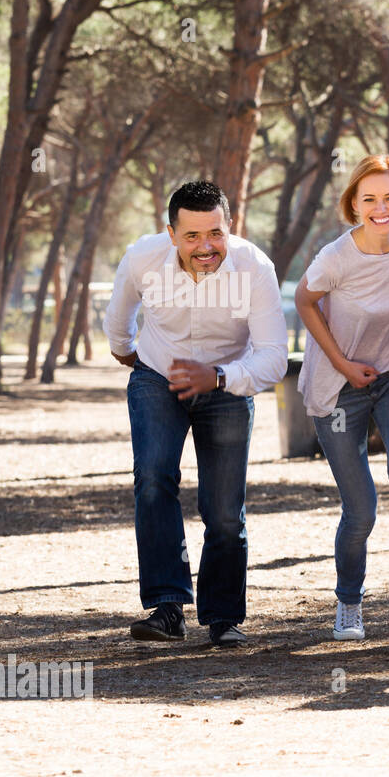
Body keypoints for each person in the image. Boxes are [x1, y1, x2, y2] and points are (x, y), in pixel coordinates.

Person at [103, 180, 287, 647]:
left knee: (224, 509)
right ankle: (167, 607)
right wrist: (127, 354)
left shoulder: (255, 268)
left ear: (230, 227)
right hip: (157, 378)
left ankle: (224, 617)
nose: (205, 247)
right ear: (171, 234)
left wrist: (219, 377)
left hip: (227, 383)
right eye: (192, 236)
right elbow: (118, 317)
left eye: (215, 234)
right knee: (153, 477)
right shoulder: (143, 257)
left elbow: (273, 359)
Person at [295, 154, 389, 640]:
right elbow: (304, 299)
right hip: (339, 385)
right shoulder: (337, 256)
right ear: (354, 205)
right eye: (369, 199)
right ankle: (349, 603)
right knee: (361, 508)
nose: (381, 208)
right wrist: (341, 363)